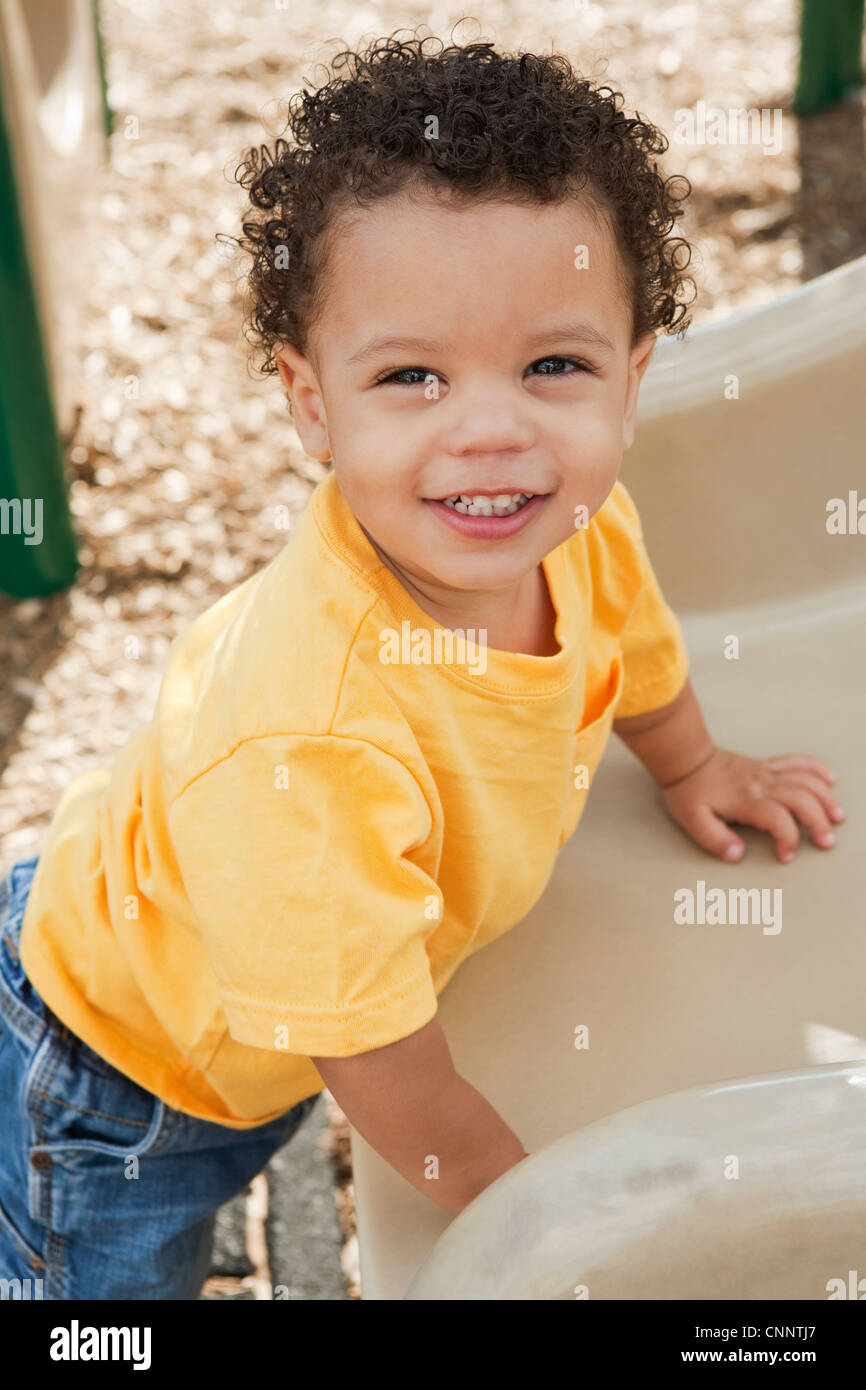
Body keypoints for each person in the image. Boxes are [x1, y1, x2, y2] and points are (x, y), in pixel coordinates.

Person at [0, 30, 844, 1300]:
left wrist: (692, 761)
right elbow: (382, 1064)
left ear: (632, 381)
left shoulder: (576, 525)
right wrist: (537, 1221)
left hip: (226, 980)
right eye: (411, 376)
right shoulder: (315, 738)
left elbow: (631, 646)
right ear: (311, 403)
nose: (492, 429)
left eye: (553, 364)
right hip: (123, 1081)